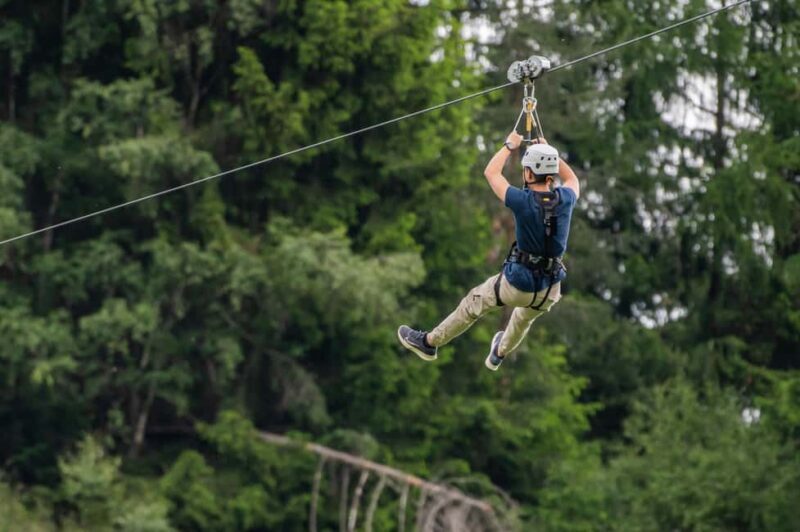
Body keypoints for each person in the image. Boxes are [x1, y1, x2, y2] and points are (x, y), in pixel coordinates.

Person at [397, 131, 580, 370]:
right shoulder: (565, 199)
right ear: (551, 173)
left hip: (518, 284)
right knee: (521, 321)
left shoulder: (522, 200)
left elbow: (491, 173)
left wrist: (509, 146)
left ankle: (429, 342)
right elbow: (573, 179)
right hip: (549, 289)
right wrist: (550, 153)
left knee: (473, 304)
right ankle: (499, 354)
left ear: (529, 173)